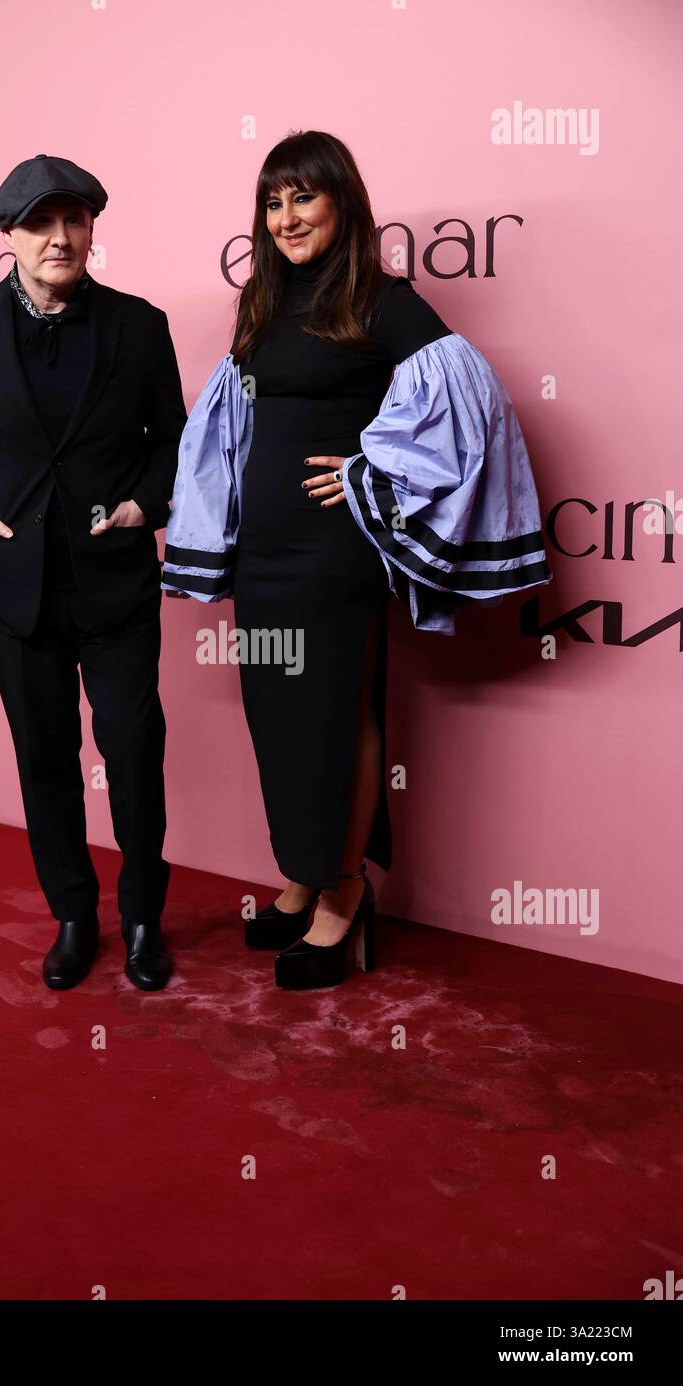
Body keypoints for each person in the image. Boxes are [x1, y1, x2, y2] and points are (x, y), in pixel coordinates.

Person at [162, 130, 551, 991]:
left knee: (338, 713)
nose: (288, 217)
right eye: (273, 201)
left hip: (334, 557)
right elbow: (232, 424)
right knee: (278, 718)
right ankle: (303, 875)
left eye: (304, 197)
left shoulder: (382, 300)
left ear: (342, 201)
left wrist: (375, 474)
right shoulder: (262, 300)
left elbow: (472, 403)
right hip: (261, 556)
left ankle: (345, 896)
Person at [0, 154, 187, 992]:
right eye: (40, 224)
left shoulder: (140, 326)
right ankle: (74, 913)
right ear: (8, 234)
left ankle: (142, 915)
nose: (60, 238)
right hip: (15, 587)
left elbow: (173, 440)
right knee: (44, 756)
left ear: (92, 229)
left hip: (115, 582)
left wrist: (147, 504)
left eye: (73, 221)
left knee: (135, 749)